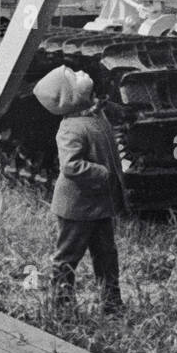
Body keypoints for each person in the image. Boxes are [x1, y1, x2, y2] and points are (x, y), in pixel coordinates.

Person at [32, 64, 123, 314]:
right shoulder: (71, 127)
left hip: (99, 203)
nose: (81, 73)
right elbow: (71, 166)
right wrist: (103, 173)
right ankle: (61, 307)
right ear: (70, 96)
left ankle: (112, 303)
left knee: (106, 255)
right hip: (76, 207)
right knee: (68, 257)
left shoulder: (93, 113)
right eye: (73, 77)